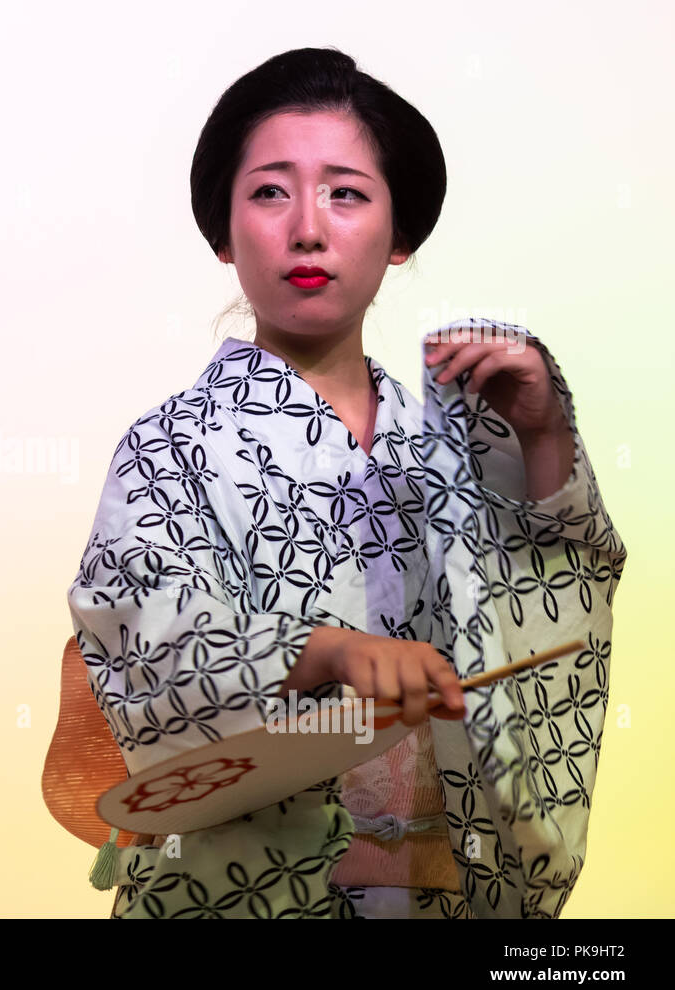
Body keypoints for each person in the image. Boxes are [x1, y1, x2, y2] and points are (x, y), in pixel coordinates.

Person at [65, 47, 626, 919]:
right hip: (236, 891)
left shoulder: (452, 446)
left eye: (347, 192)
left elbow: (548, 615)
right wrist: (326, 650)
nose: (308, 229)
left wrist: (544, 436)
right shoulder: (168, 446)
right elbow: (153, 665)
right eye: (269, 192)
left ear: (400, 236)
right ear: (224, 230)